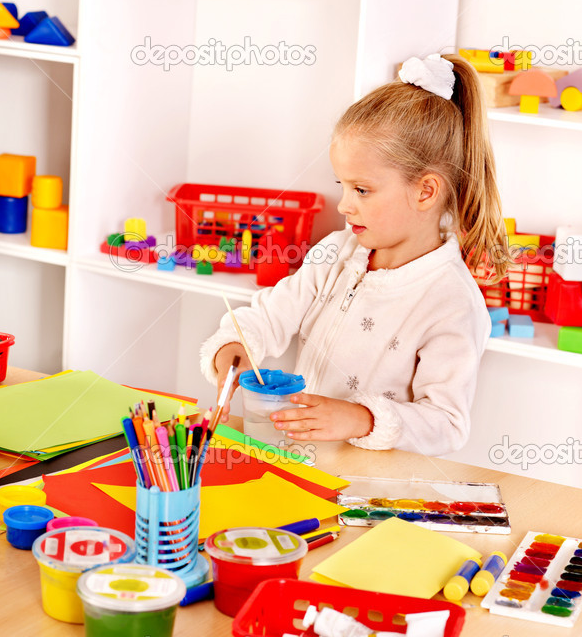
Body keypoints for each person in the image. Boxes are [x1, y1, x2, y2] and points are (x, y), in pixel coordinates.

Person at [199, 54, 509, 455]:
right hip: (302, 463)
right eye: (342, 186)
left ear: (425, 191)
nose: (344, 205)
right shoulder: (337, 252)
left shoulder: (452, 302)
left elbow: (446, 424)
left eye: (361, 190)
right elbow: (268, 316)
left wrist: (360, 418)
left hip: (372, 481)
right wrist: (233, 350)